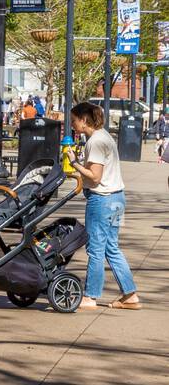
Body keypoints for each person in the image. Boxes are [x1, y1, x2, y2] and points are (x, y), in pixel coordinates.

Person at [69, 101, 140, 310]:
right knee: (111, 247)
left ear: (84, 119)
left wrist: (74, 163)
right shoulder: (105, 136)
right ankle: (130, 294)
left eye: (74, 120)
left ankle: (90, 296)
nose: (72, 124)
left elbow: (96, 176)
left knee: (96, 248)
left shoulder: (96, 141)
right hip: (117, 198)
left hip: (102, 200)